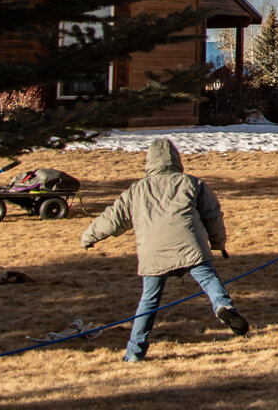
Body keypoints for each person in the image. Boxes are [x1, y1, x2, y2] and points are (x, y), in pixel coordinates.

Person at [80, 138, 249, 362]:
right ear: (177, 160)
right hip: (190, 244)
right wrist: (218, 244)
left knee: (149, 300)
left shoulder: (137, 190)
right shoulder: (191, 183)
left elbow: (113, 217)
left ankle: (134, 353)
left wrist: (89, 236)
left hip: (153, 251)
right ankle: (222, 306)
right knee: (208, 279)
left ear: (150, 162)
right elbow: (212, 216)